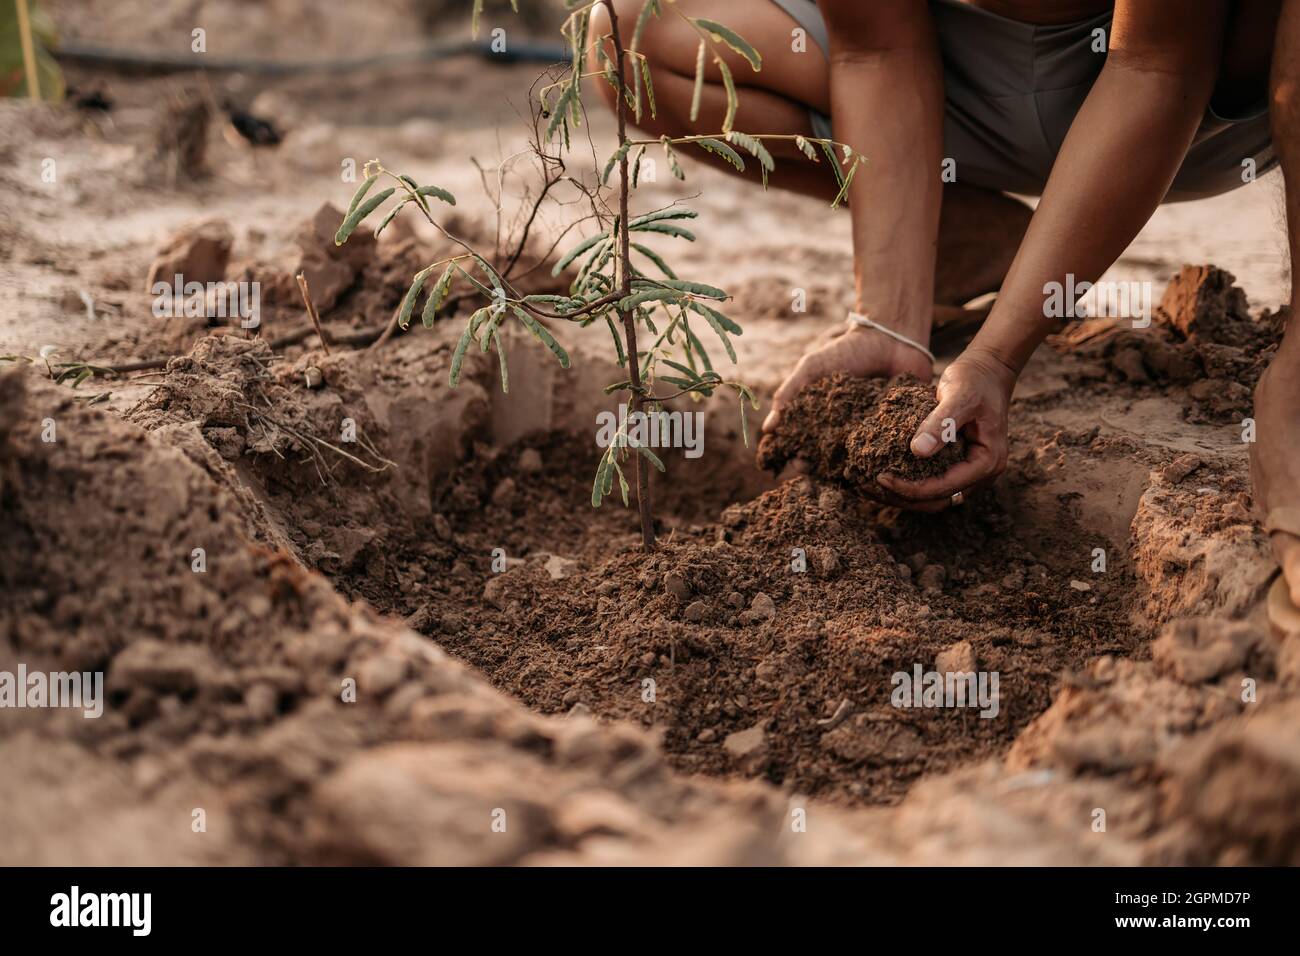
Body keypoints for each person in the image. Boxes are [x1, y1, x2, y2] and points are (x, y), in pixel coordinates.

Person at [589, 0, 1300, 611]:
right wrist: (886, 319)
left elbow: (1159, 64)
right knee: (626, 33)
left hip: (1205, 100)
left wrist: (997, 356)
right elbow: (878, 46)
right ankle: (970, 239)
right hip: (963, 87)